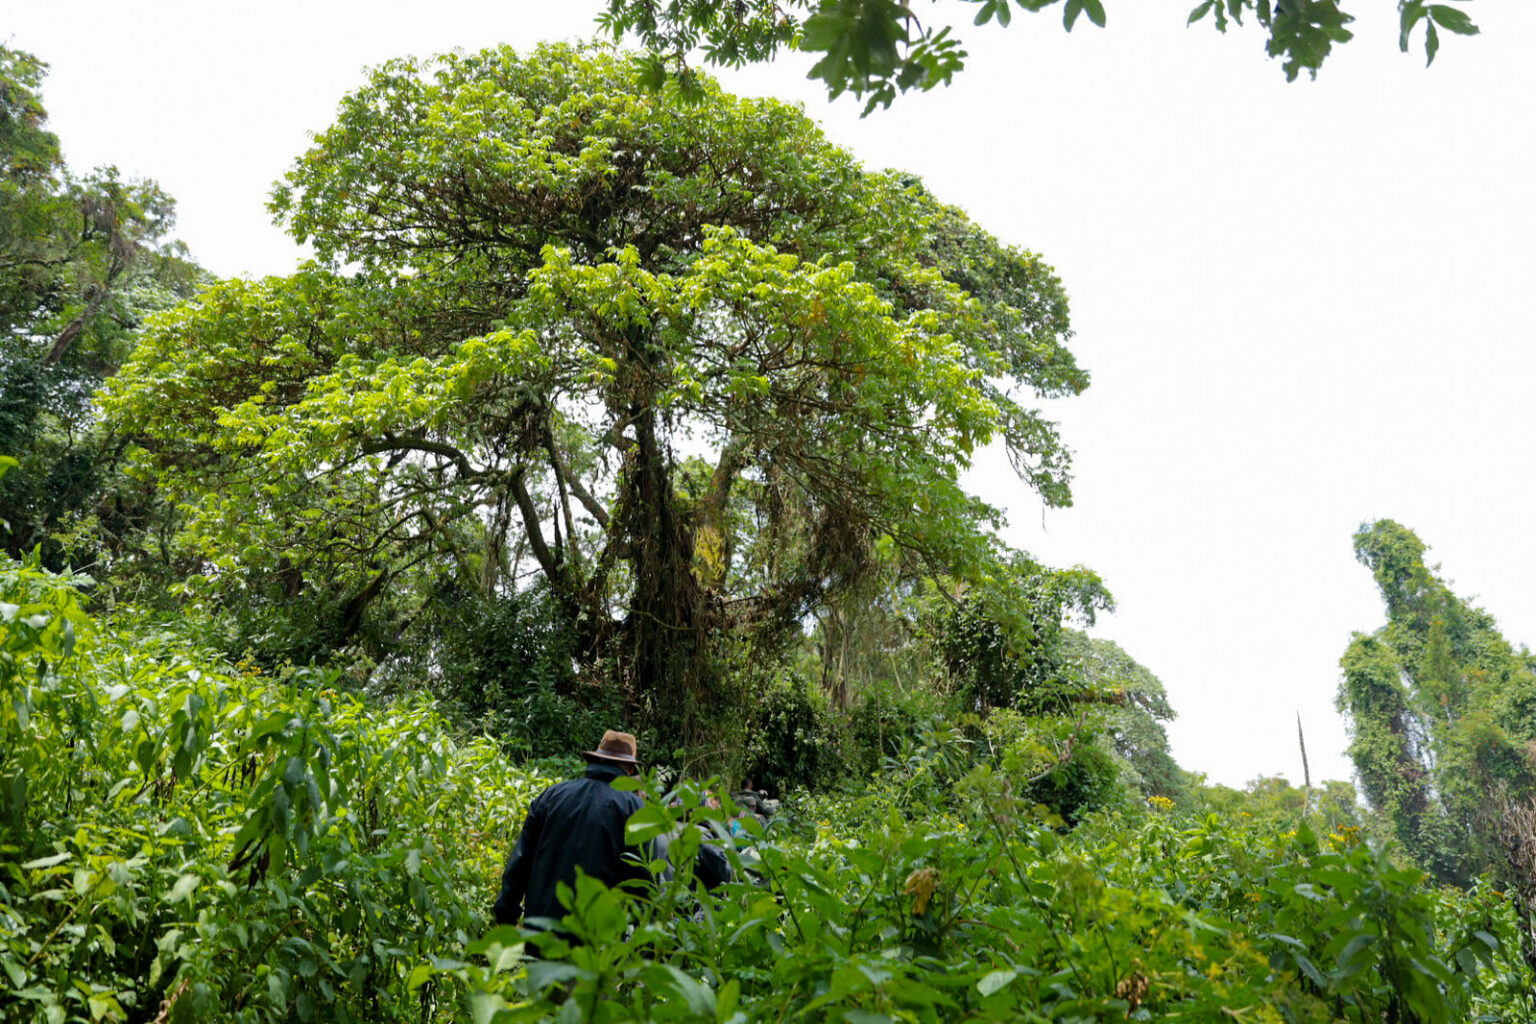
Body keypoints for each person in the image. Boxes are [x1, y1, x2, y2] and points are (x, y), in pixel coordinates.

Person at [492, 730, 651, 929]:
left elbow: (521, 860)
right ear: (629, 769)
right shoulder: (633, 809)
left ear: (596, 759)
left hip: (542, 929)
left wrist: (506, 915)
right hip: (595, 937)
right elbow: (642, 878)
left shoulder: (551, 796)